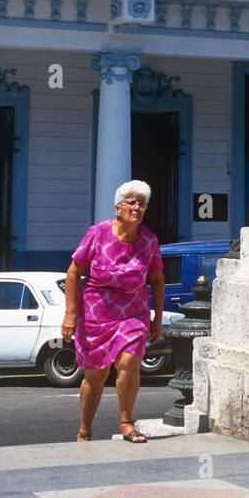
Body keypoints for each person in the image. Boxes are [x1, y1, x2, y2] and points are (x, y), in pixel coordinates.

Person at [62, 180, 164, 444]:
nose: (137, 207)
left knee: (130, 361)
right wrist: (70, 314)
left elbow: (157, 279)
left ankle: (126, 421)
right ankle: (85, 429)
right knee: (95, 376)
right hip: (96, 314)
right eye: (131, 202)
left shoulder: (149, 240)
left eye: (142, 203)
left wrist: (158, 320)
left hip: (133, 312)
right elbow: (74, 274)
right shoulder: (96, 234)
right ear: (118, 208)